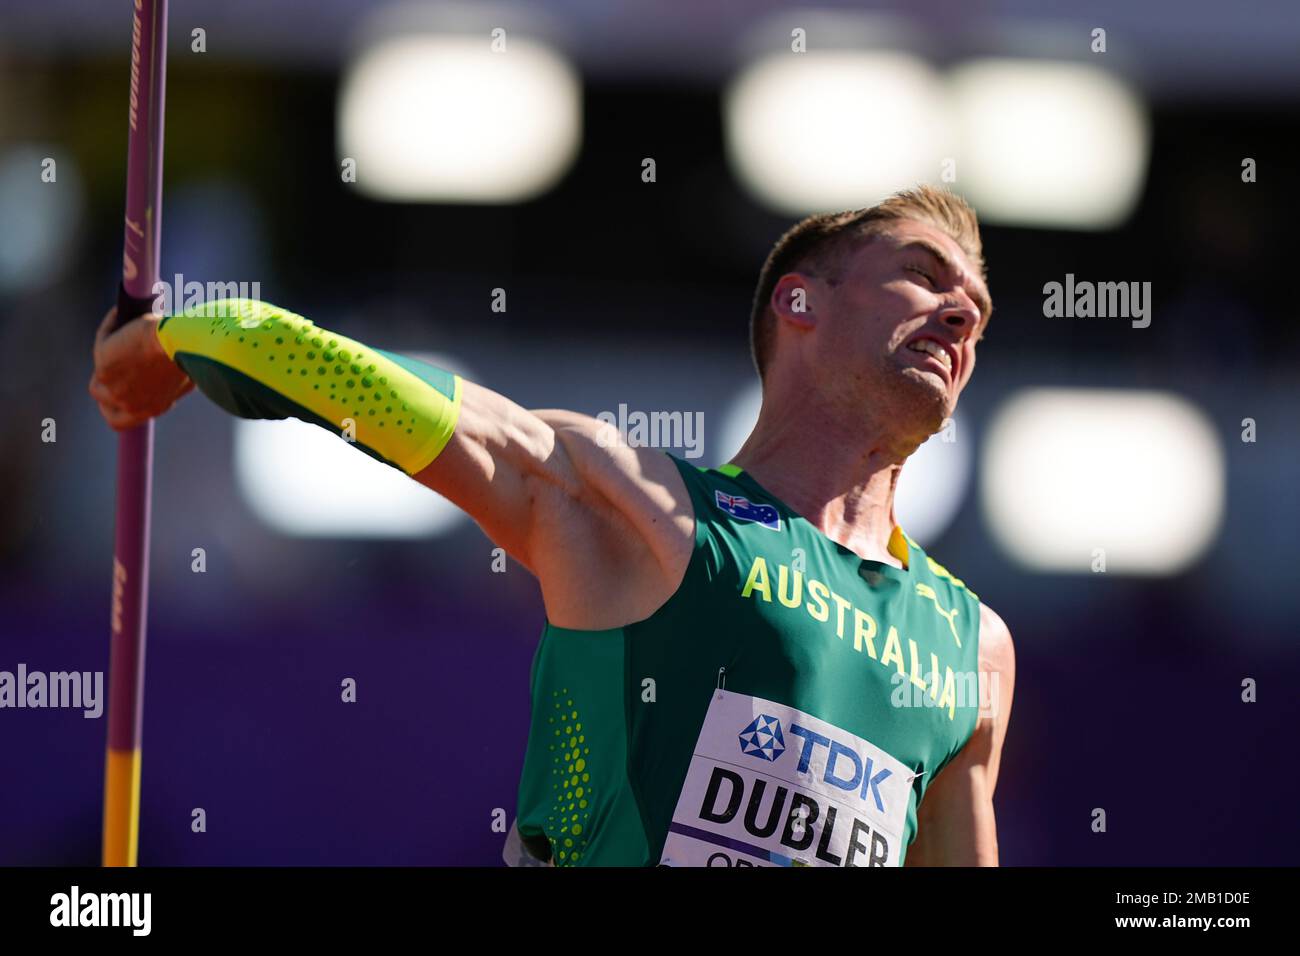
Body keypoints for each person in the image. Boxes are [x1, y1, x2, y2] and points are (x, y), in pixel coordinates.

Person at [89, 184, 1014, 867]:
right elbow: (349, 381)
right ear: (799, 302)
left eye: (975, 304)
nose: (963, 310)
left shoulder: (971, 646)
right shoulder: (641, 509)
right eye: (923, 274)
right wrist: (175, 340)